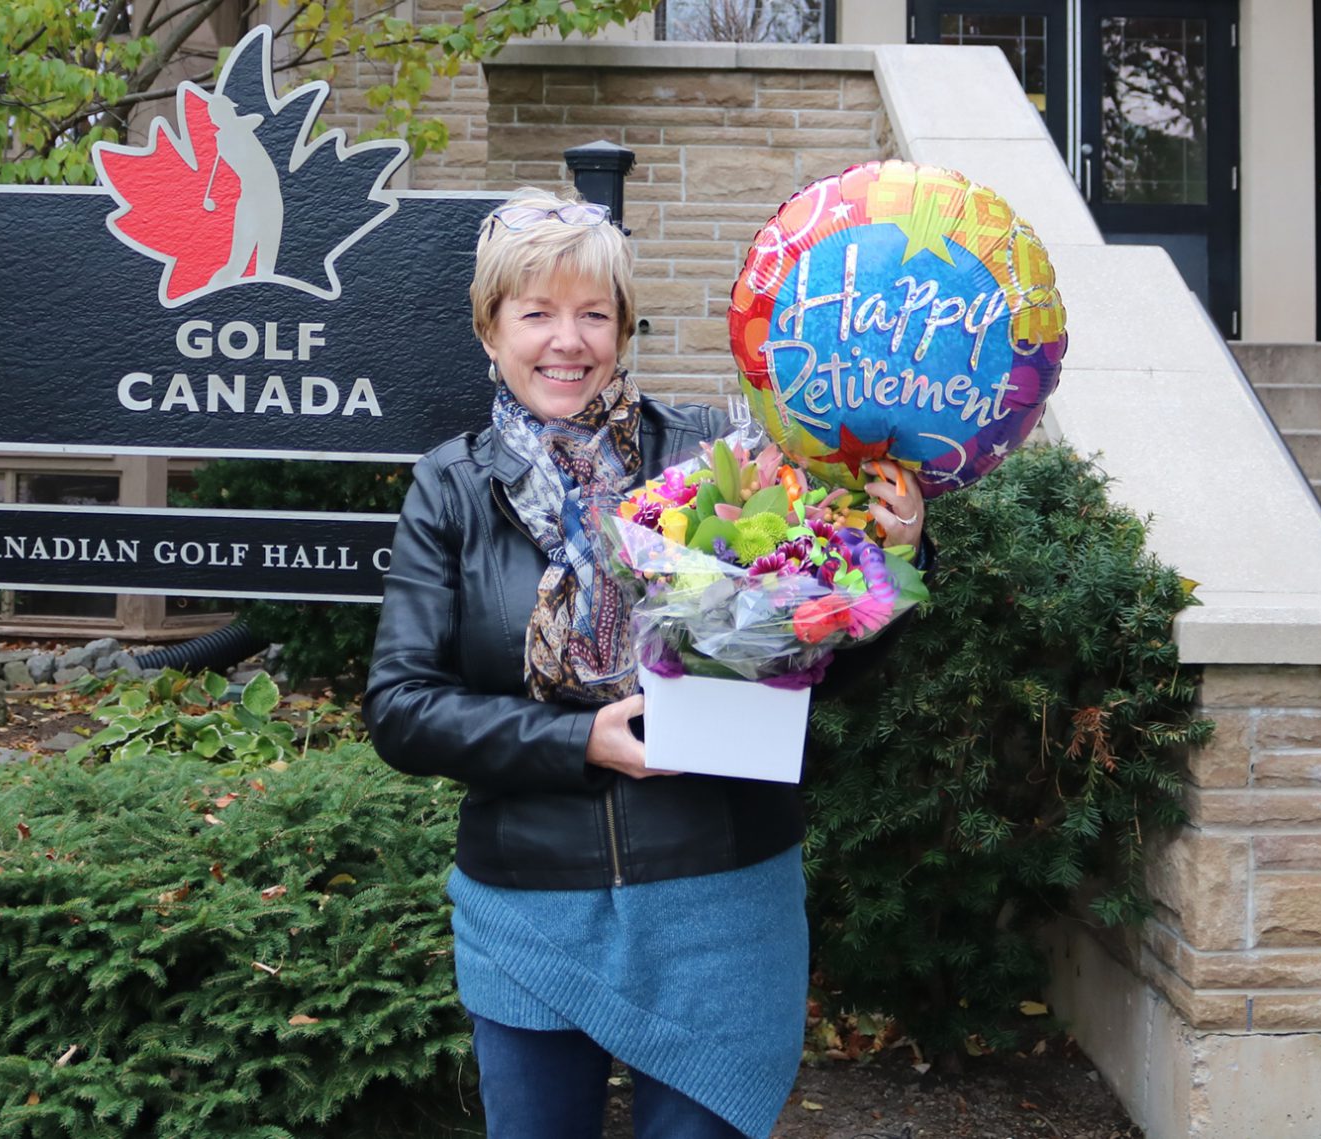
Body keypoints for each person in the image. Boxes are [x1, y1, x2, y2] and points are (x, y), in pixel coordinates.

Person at [363, 187, 927, 1139]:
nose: (566, 341)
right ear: (490, 330)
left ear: (624, 327)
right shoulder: (450, 488)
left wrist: (897, 557)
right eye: (535, 312)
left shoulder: (721, 455)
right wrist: (579, 738)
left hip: (720, 892)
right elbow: (402, 705)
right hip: (530, 904)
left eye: (593, 313)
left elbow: (820, 657)